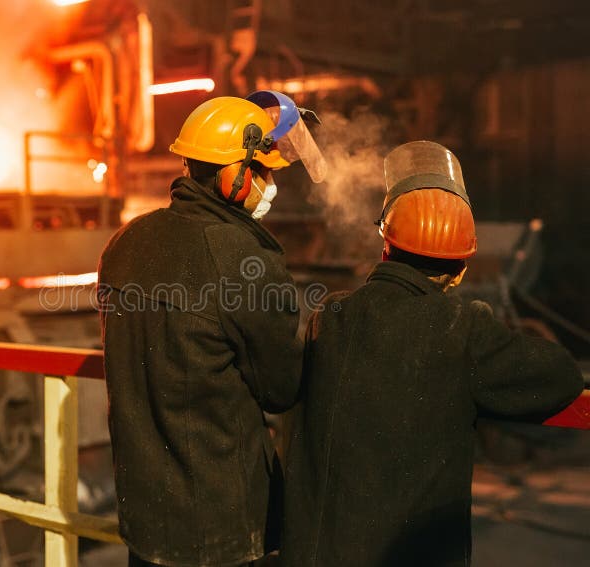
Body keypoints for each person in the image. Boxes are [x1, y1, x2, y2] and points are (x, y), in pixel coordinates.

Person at [281, 140, 585, 566]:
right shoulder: (464, 329)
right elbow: (562, 377)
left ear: (385, 246)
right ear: (460, 268)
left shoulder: (330, 315)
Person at [97, 91, 326, 566]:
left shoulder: (125, 242)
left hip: (145, 519)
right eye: (262, 172)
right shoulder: (243, 259)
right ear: (233, 175)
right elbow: (281, 389)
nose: (269, 184)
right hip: (220, 526)